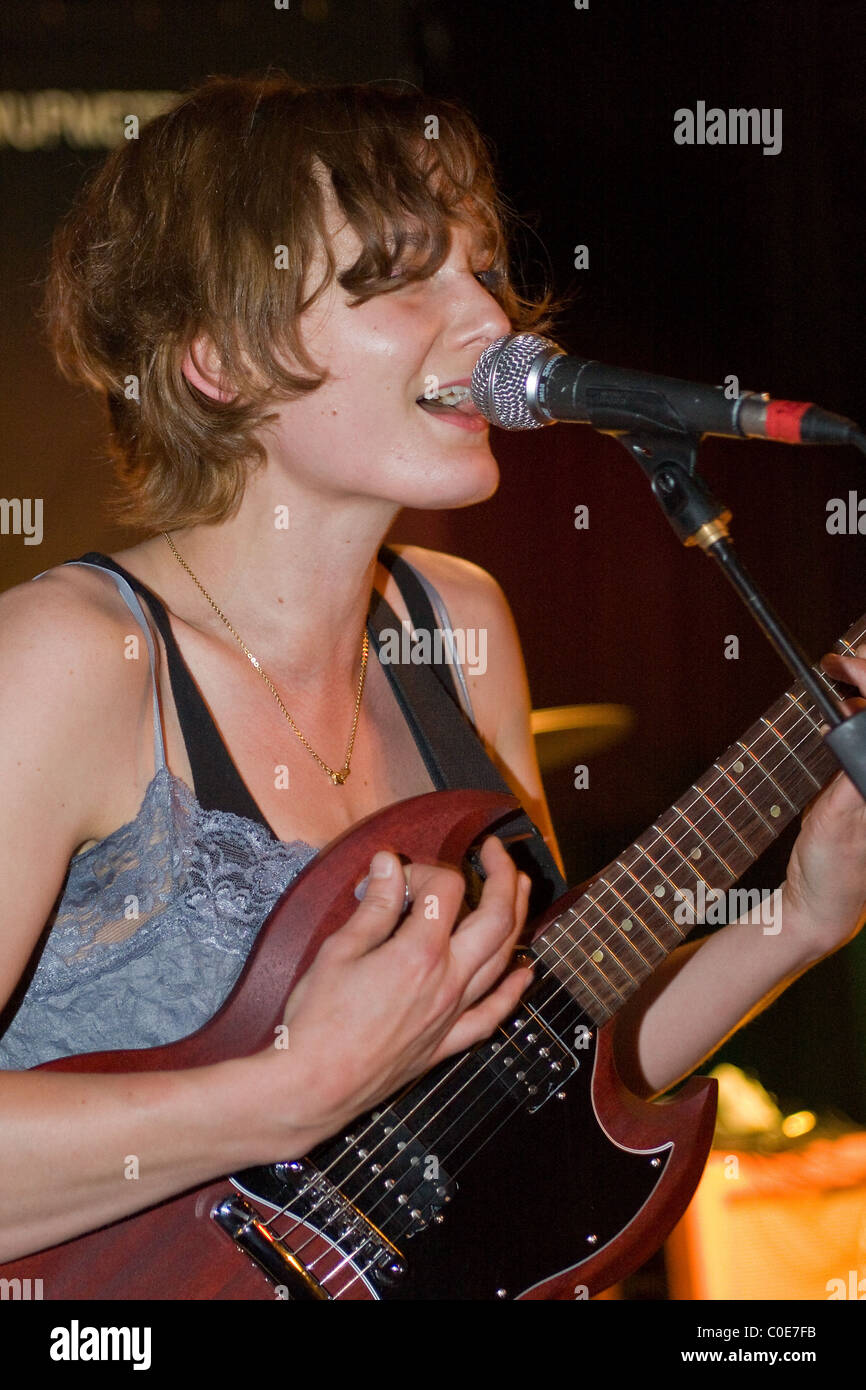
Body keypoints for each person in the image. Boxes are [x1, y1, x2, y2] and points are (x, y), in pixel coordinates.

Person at [0, 72, 864, 1287]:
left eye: (477, 268)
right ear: (213, 363)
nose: (491, 322)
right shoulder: (68, 660)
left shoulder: (454, 622)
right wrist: (287, 1096)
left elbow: (525, 1078)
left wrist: (803, 918)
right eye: (400, 280)